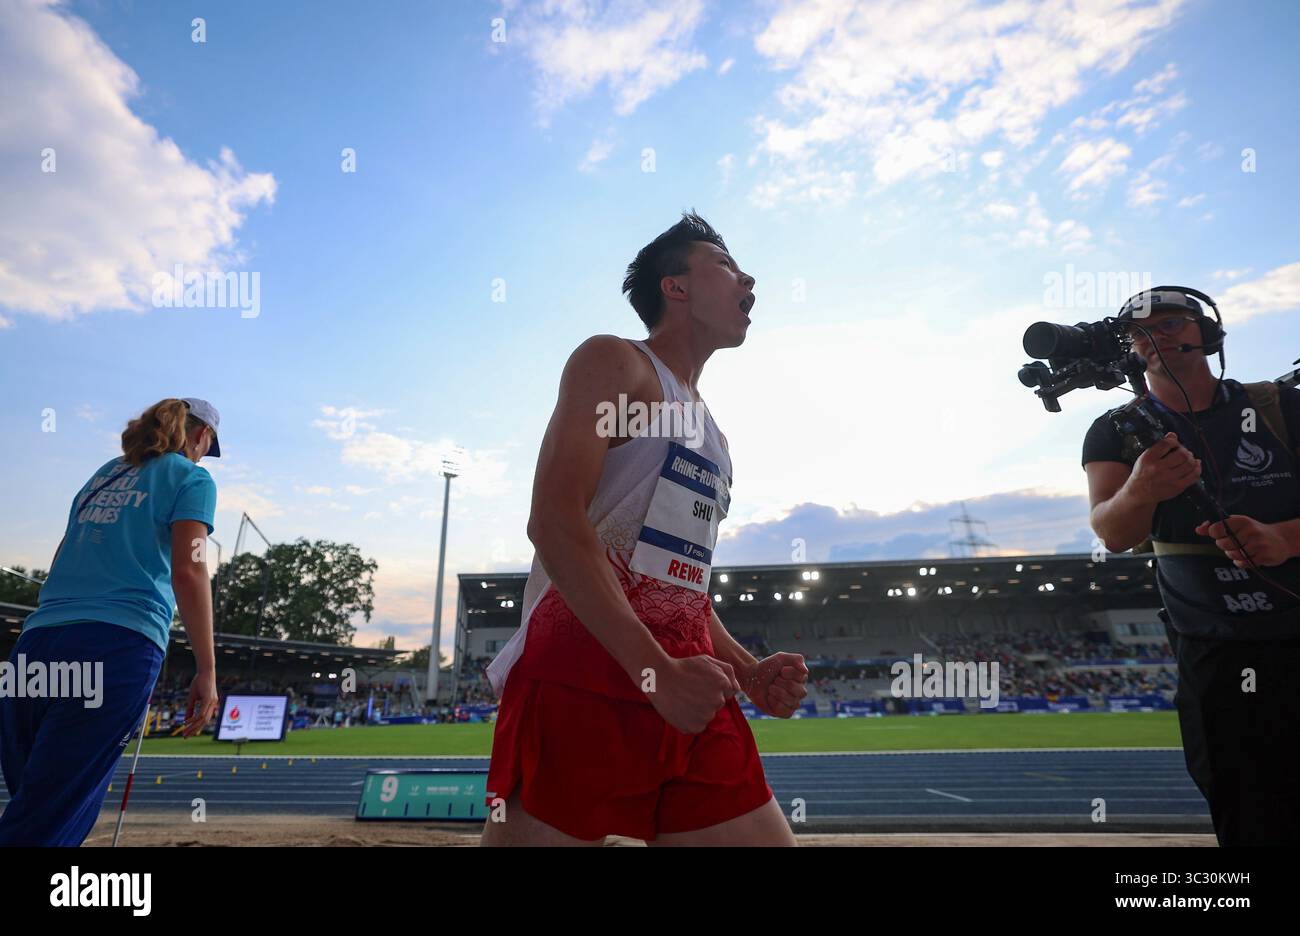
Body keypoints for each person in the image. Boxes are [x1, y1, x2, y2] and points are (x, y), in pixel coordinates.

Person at [480, 211, 808, 847]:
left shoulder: (716, 437)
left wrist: (746, 670)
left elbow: (678, 584)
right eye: (726, 266)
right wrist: (653, 671)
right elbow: (553, 520)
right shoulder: (617, 363)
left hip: (690, 683)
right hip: (586, 673)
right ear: (675, 287)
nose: (749, 281)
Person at [1082, 287, 1300, 845]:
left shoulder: (1280, 406)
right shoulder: (1115, 430)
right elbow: (1113, 533)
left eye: (1173, 323)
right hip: (1212, 650)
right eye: (1141, 332)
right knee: (1244, 807)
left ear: (1207, 332)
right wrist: (1141, 489)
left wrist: (1284, 537)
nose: (1158, 337)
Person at [0, 398, 222, 846]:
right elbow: (190, 569)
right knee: (48, 821)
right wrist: (207, 668)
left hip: (36, 645)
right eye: (208, 446)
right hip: (116, 644)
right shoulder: (192, 477)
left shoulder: (102, 476)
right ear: (200, 436)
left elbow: (62, 557)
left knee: (34, 806)